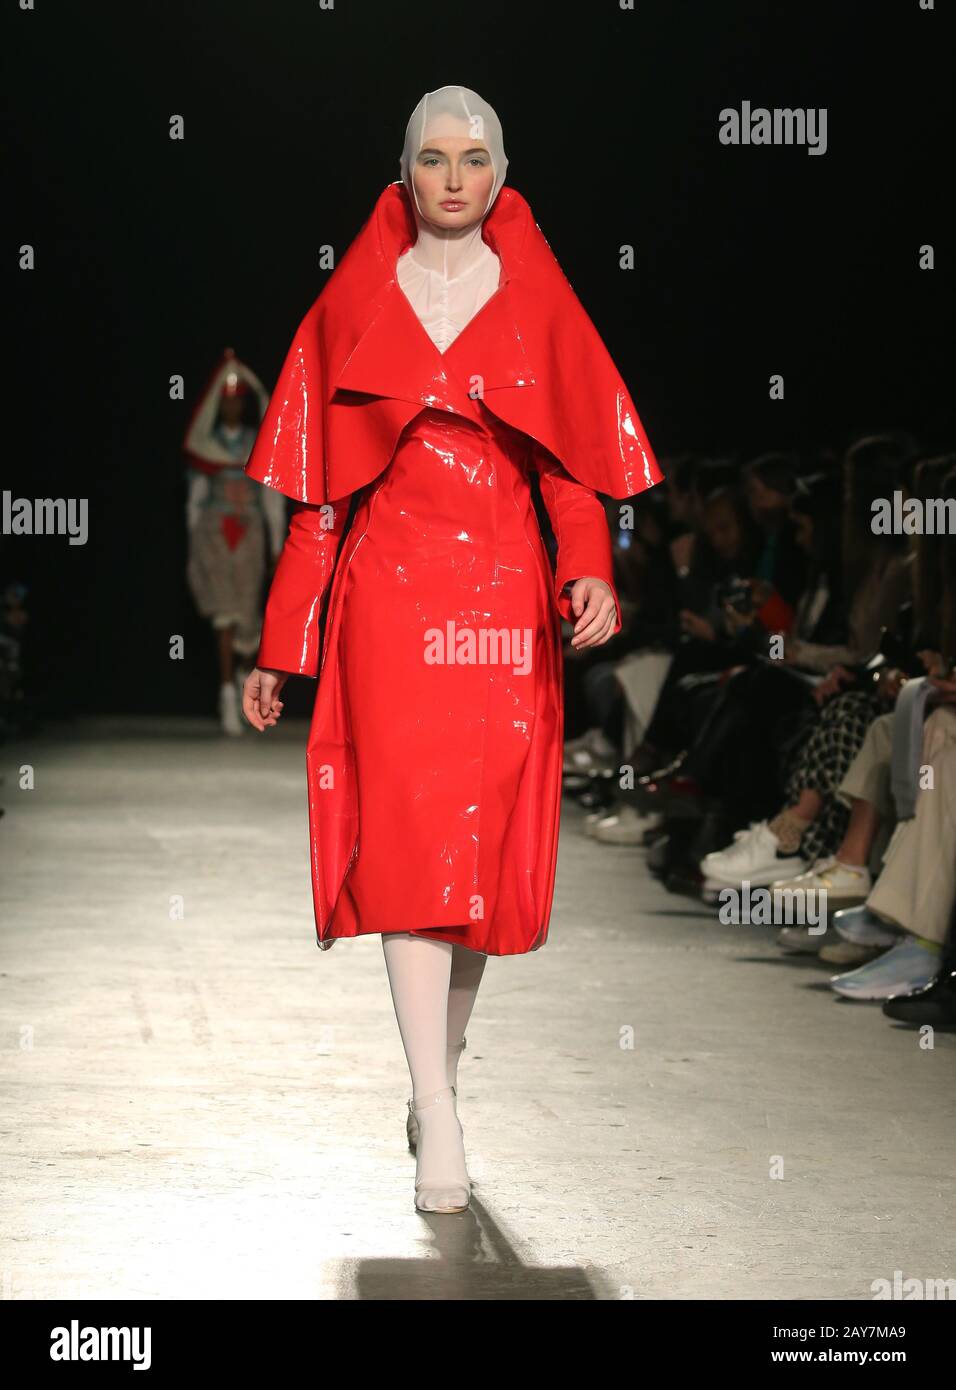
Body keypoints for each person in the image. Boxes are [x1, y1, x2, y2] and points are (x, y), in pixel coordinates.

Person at [239, 85, 662, 1214]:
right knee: (414, 851)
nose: (455, 177)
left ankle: (438, 1078)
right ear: (405, 170)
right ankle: (441, 1105)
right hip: (389, 602)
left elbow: (570, 464)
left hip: (504, 597)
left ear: (501, 169)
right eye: (433, 158)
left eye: (475, 157)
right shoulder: (356, 298)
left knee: (471, 860)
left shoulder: (536, 295)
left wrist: (590, 568)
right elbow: (320, 500)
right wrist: (284, 643)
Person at [183, 350, 286, 734]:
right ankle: (227, 694)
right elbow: (194, 501)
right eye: (224, 399)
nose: (230, 406)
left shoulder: (256, 443)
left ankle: (244, 683)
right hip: (214, 534)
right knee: (224, 616)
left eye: (237, 399)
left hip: (249, 536)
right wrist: (194, 544)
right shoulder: (206, 447)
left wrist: (277, 545)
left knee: (246, 619)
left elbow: (271, 499)